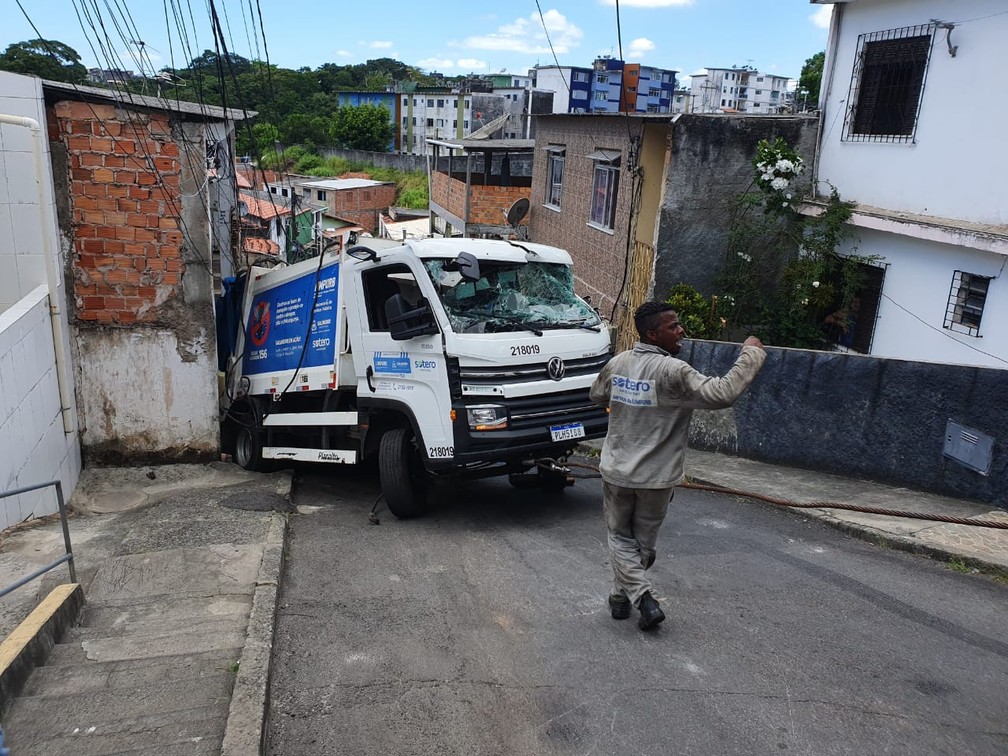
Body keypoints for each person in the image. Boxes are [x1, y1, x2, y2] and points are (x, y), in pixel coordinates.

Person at [589, 301, 766, 631]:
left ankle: (624, 595)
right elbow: (723, 392)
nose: (681, 329)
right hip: (657, 479)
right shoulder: (675, 372)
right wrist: (751, 354)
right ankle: (638, 598)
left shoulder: (618, 364)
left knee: (619, 539)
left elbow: (597, 395)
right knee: (641, 544)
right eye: (673, 326)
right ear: (653, 334)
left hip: (617, 472)